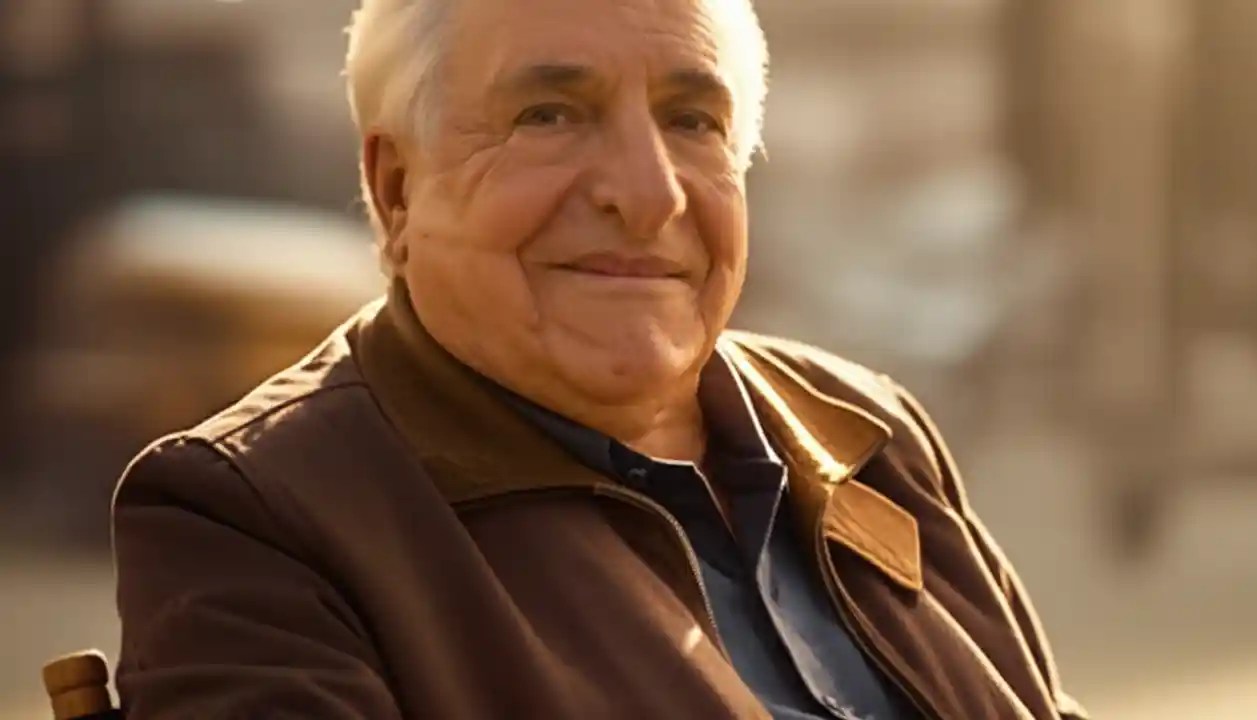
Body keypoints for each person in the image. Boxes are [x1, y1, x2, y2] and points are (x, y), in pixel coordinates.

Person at [111, 0, 1088, 718]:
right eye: (550, 115)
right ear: (398, 188)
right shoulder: (256, 517)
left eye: (691, 121)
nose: (647, 192)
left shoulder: (860, 428)